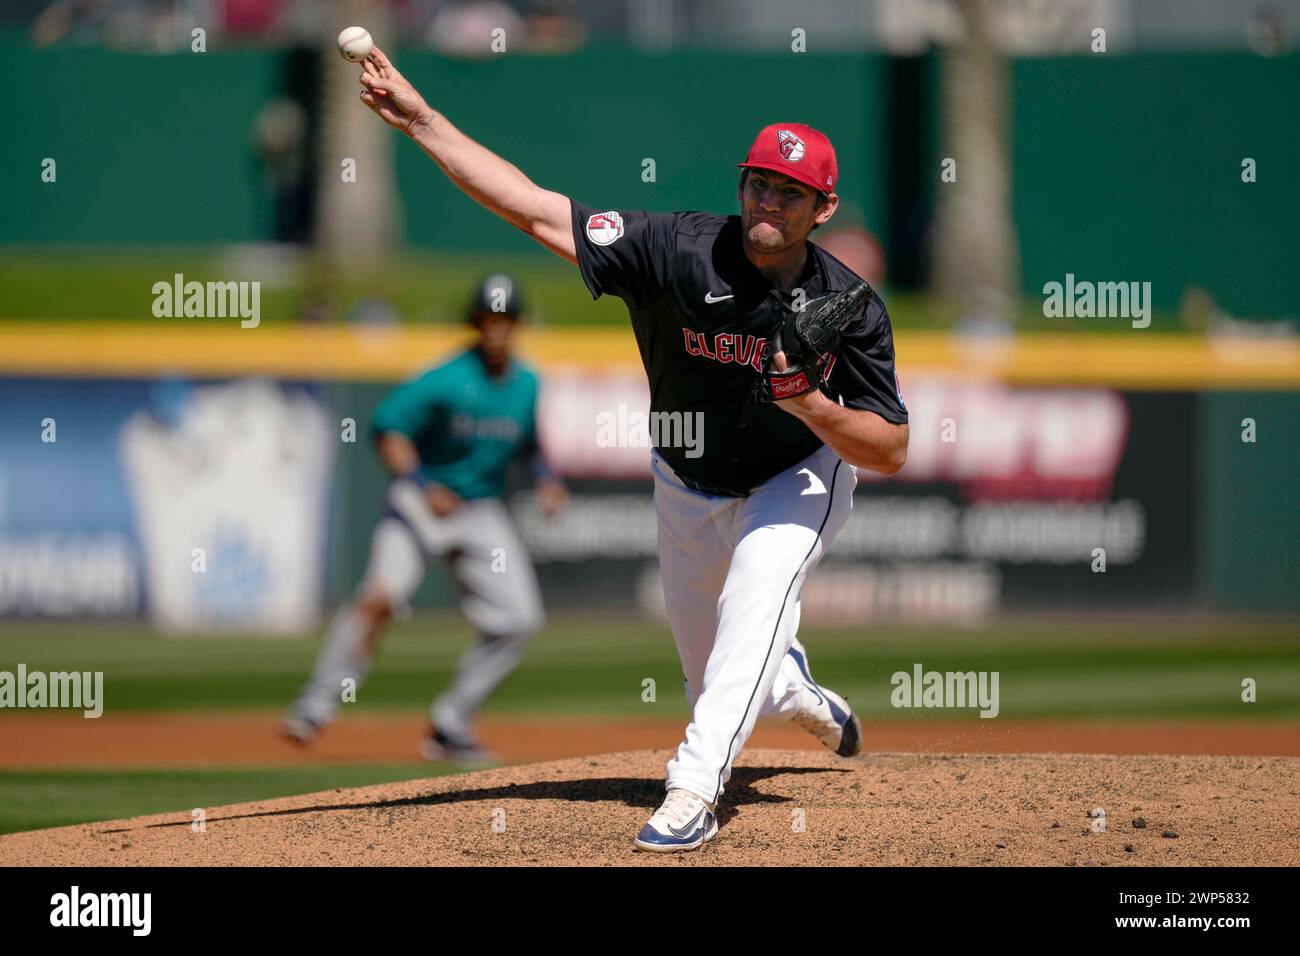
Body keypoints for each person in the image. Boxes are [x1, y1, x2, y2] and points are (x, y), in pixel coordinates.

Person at [353, 48, 909, 851]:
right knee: (718, 666)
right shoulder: (674, 250)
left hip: (797, 477)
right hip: (684, 483)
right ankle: (793, 691)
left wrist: (812, 405)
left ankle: (691, 791)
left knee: (756, 597)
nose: (769, 199)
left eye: (791, 192)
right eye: (759, 181)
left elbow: (889, 448)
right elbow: (534, 209)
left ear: (821, 209)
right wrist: (421, 120)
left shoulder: (848, 306)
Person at [281, 274, 566, 763]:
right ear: (475, 323)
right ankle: (315, 705)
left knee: (519, 619)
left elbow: (529, 445)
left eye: (505, 320)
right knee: (379, 599)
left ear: (516, 325)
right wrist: (420, 485)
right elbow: (388, 428)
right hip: (421, 504)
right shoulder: (446, 377)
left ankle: (449, 724)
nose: (496, 330)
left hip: (480, 511)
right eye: (488, 320)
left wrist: (547, 478)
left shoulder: (528, 383)